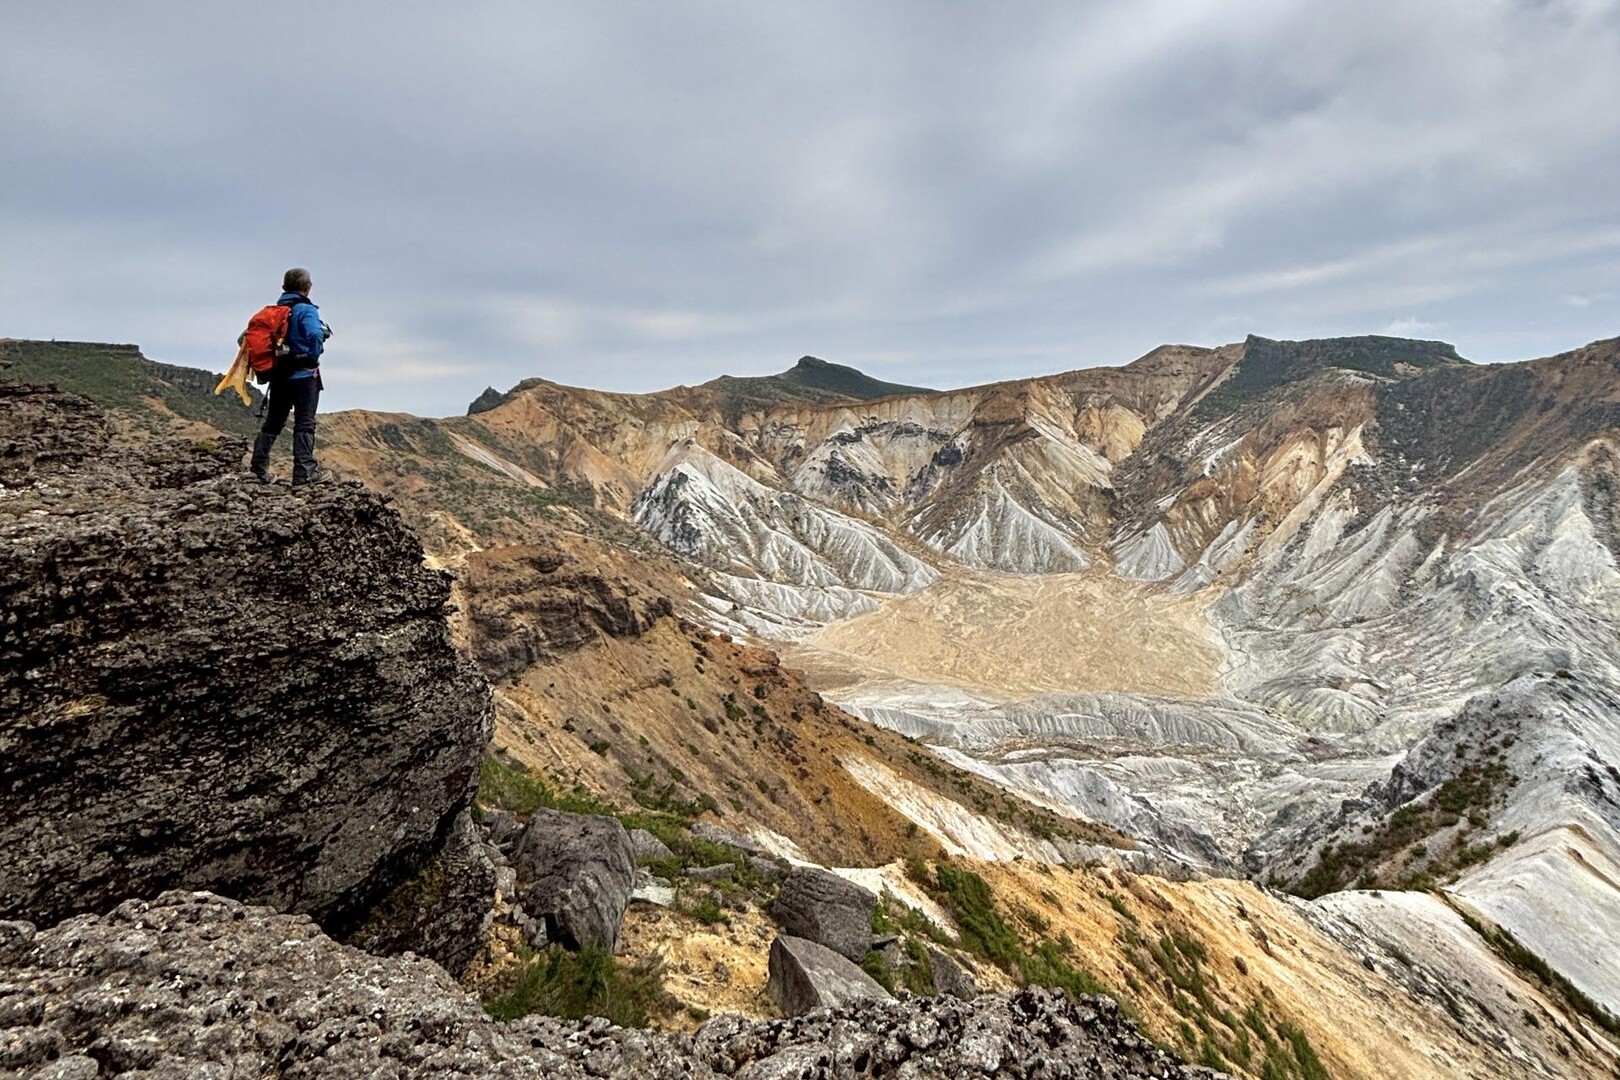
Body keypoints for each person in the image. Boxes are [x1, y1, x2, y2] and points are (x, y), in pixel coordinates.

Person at [249, 267, 332, 485]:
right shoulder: (306, 310)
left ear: (284, 287)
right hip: (305, 376)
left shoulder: (274, 312)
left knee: (273, 423)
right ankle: (304, 472)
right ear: (307, 287)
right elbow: (315, 333)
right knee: (304, 424)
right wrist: (312, 356)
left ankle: (257, 470)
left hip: (279, 376)